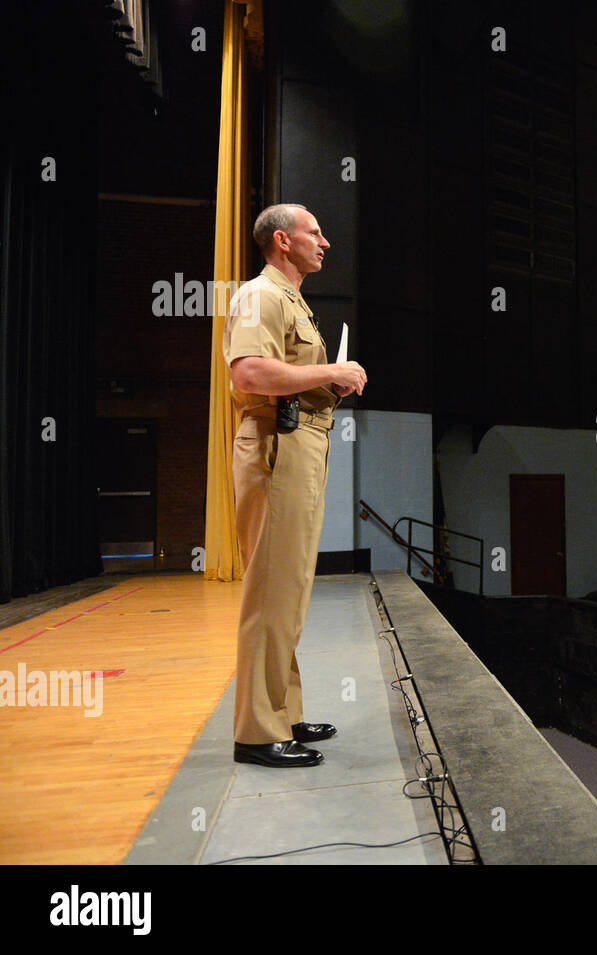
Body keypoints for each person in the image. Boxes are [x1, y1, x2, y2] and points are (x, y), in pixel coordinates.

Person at [223, 203, 367, 767]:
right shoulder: (261, 295)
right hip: (276, 448)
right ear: (282, 241)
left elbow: (284, 375)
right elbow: (250, 373)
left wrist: (327, 387)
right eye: (315, 231)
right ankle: (257, 733)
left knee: (290, 590)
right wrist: (331, 372)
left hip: (302, 442)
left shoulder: (293, 300)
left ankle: (281, 711)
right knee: (270, 589)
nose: (325, 241)